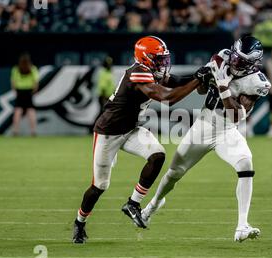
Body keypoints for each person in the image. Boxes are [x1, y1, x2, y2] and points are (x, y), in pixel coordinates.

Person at [72, 36, 208, 244]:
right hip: (108, 132)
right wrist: (198, 80)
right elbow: (167, 97)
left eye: (164, 59)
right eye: (159, 59)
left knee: (157, 155)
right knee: (99, 186)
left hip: (131, 129)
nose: (163, 64)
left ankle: (133, 203)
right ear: (145, 58)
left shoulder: (150, 70)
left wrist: (200, 73)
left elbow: (176, 80)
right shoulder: (138, 72)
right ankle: (79, 223)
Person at [141, 35, 271, 242]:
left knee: (246, 163)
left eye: (242, 61)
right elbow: (201, 89)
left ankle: (242, 225)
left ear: (253, 63)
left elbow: (236, 115)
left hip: (227, 130)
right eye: (236, 57)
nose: (235, 63)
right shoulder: (222, 58)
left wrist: (223, 87)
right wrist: (207, 76)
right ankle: (152, 206)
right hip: (203, 126)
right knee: (175, 173)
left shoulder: (257, 82)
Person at [11, 53, 39, 136]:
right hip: (29, 91)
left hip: (20, 91)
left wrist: (15, 91)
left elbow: (13, 82)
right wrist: (33, 91)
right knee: (31, 111)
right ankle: (33, 131)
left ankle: (15, 131)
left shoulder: (16, 69)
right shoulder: (33, 69)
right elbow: (36, 82)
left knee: (17, 111)